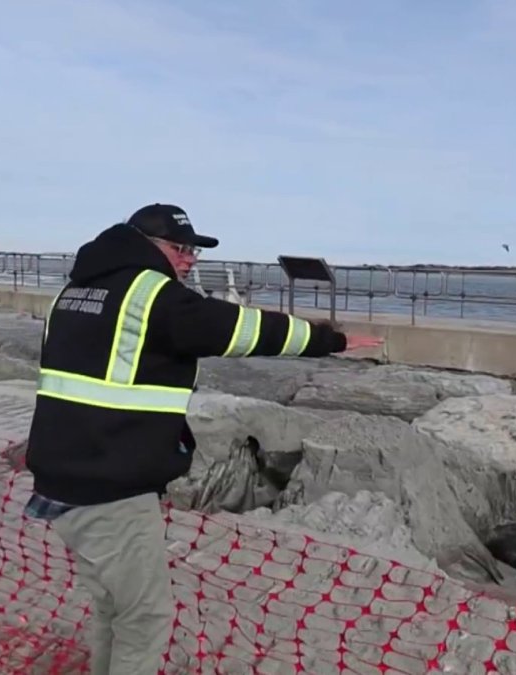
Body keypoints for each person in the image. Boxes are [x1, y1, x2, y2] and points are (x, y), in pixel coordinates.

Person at [23, 204, 383, 674]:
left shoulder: (74, 291)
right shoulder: (149, 293)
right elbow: (238, 329)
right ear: (146, 246)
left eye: (194, 249)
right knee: (145, 615)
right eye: (181, 248)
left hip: (63, 476)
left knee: (114, 606)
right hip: (110, 486)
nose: (190, 259)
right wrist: (328, 340)